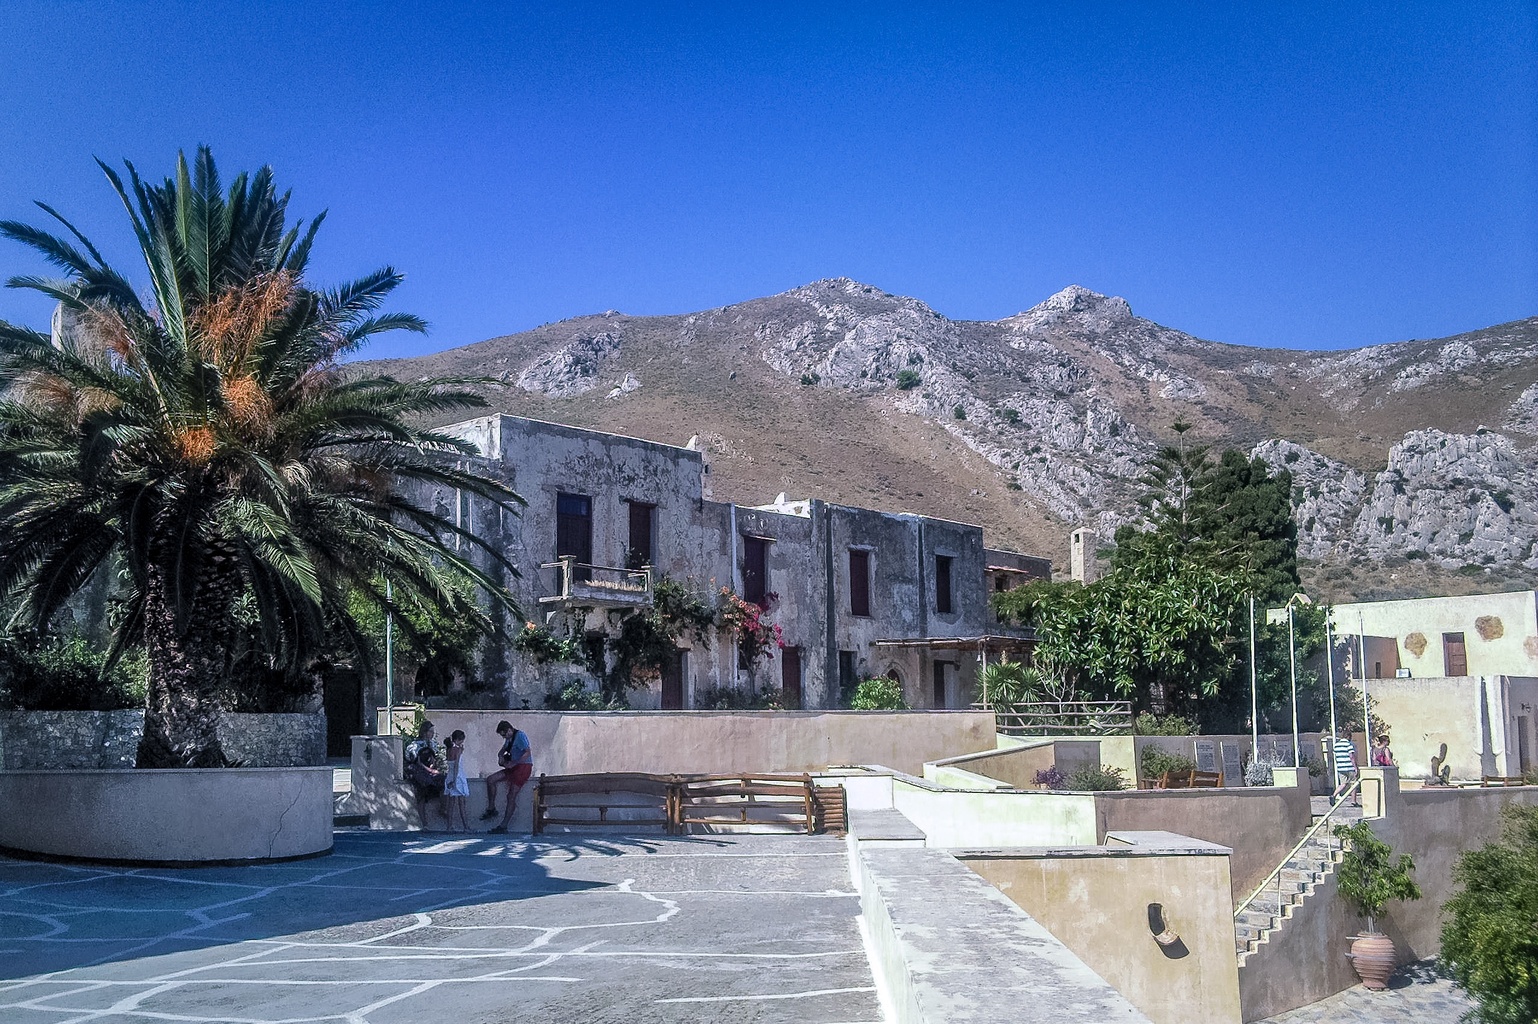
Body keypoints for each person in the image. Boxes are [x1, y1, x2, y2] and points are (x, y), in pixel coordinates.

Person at [481, 720, 532, 834]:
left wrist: (515, 763)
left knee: (511, 795)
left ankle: (504, 825)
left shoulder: (520, 736)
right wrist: (500, 757)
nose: (504, 737)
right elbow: (502, 751)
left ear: (510, 730)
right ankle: (491, 808)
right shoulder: (509, 739)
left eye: (504, 734)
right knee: (491, 780)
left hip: (523, 767)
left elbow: (527, 752)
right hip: (512, 767)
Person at [403, 720, 446, 830]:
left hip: (429, 771)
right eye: (430, 731)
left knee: (444, 781)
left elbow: (435, 759)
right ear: (424, 732)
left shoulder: (432, 744)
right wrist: (430, 771)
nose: (432, 734)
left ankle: (443, 808)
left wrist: (434, 766)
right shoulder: (415, 746)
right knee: (421, 794)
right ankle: (424, 824)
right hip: (419, 772)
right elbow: (416, 762)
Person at [442, 729, 470, 831]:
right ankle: (466, 827)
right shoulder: (457, 750)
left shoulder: (448, 750)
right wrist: (455, 780)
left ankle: (449, 827)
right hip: (457, 777)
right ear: (458, 740)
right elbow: (457, 765)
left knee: (451, 804)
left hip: (449, 776)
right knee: (461, 803)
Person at [1331, 728, 1358, 802]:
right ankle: (1353, 801)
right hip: (1349, 767)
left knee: (1343, 784)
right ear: (1348, 736)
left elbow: (1336, 756)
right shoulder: (1348, 744)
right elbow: (1351, 757)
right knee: (1353, 784)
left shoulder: (1336, 745)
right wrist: (1355, 767)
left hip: (1341, 768)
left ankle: (1334, 795)